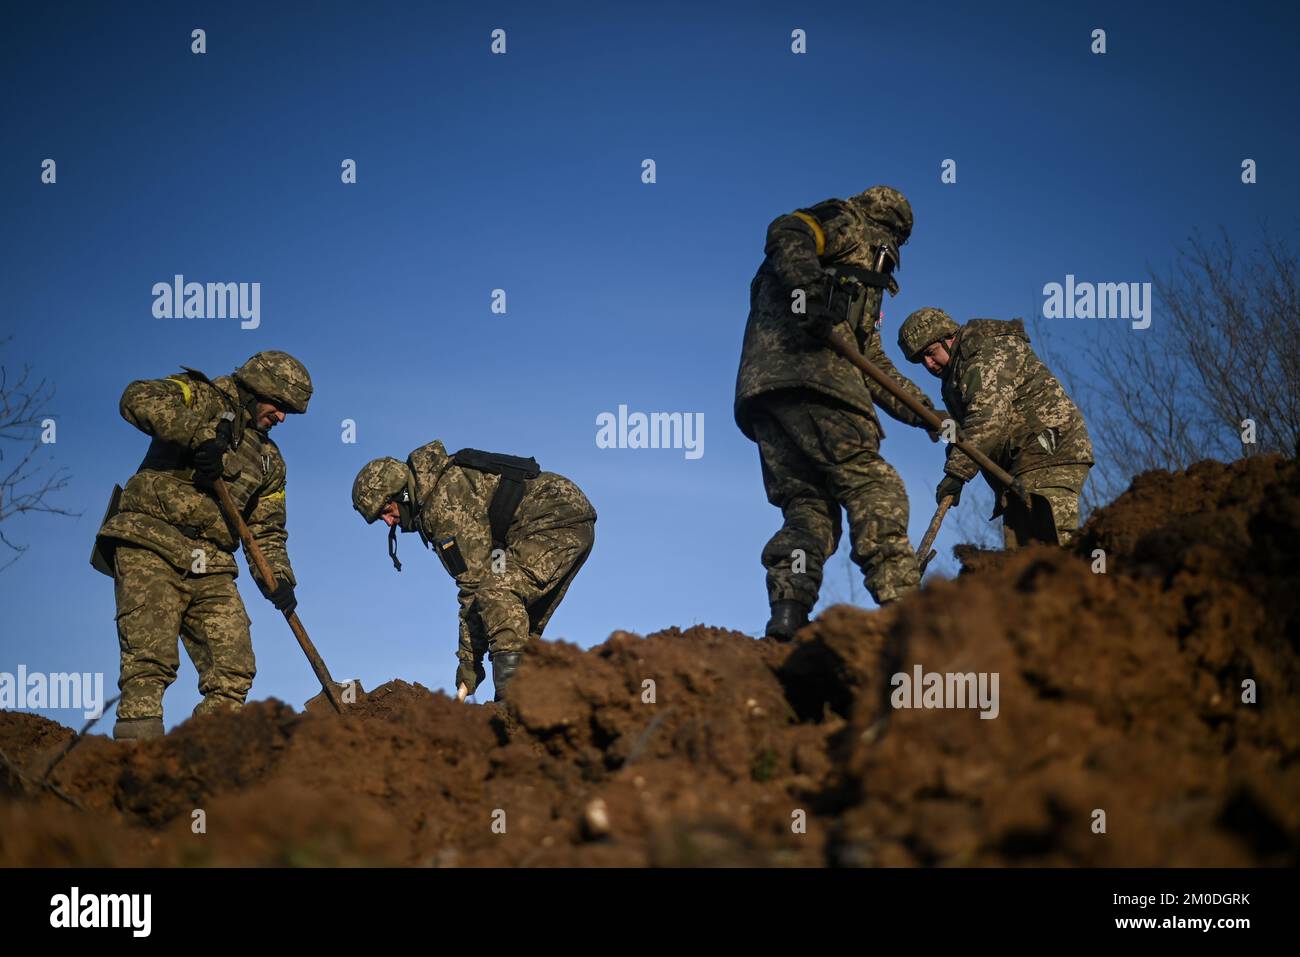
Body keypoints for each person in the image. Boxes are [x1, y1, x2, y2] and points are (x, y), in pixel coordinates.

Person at [734, 185, 938, 638]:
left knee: (810, 507)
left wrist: (927, 413)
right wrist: (809, 295)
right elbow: (789, 229)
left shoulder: (859, 279)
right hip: (815, 376)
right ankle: (904, 607)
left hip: (766, 390)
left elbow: (871, 361)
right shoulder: (851, 224)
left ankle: (787, 612)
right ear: (894, 230)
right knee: (872, 481)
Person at [92, 351, 312, 739]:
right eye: (280, 406)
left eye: (288, 413)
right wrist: (199, 437)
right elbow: (136, 397)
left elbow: (267, 531)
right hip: (151, 539)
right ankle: (135, 767)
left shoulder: (270, 463)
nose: (281, 417)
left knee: (234, 670)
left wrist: (279, 578)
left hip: (210, 562)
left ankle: (195, 762)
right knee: (149, 661)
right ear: (258, 388)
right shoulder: (201, 395)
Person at [351, 441, 595, 701]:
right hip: (566, 520)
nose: (389, 522)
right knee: (516, 624)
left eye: (387, 511)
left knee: (496, 592)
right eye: (381, 519)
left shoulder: (443, 503)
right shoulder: (439, 484)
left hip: (554, 521)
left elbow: (474, 588)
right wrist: (472, 663)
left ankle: (513, 704)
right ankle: (543, 710)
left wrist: (469, 666)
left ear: (403, 494)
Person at [897, 307, 1093, 547]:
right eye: (921, 360)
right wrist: (954, 455)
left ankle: (1091, 580)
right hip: (1019, 464)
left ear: (948, 337)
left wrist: (957, 472)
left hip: (1047, 450)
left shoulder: (986, 350)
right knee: (1023, 550)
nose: (928, 364)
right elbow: (966, 431)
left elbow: (987, 419)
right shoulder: (954, 377)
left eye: (930, 352)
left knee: (1049, 542)